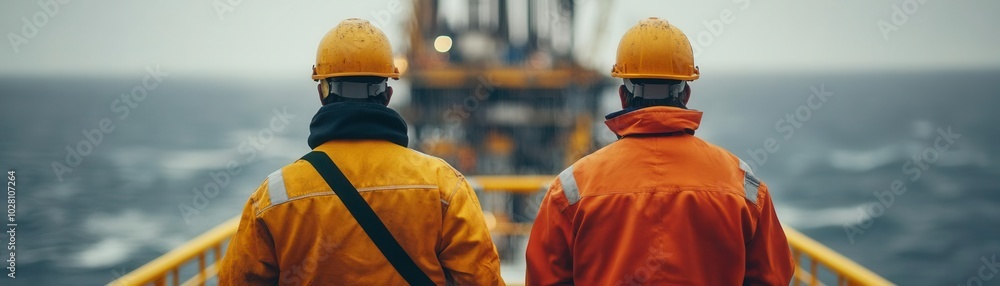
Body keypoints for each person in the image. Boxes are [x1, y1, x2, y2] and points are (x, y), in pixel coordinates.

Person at [219, 18, 504, 285]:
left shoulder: (275, 197)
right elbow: (481, 278)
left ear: (321, 93)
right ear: (388, 95)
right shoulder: (443, 184)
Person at [525, 17, 794, 285]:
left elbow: (544, 279)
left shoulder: (571, 189)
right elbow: (773, 277)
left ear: (622, 95)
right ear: (685, 94)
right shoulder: (742, 186)